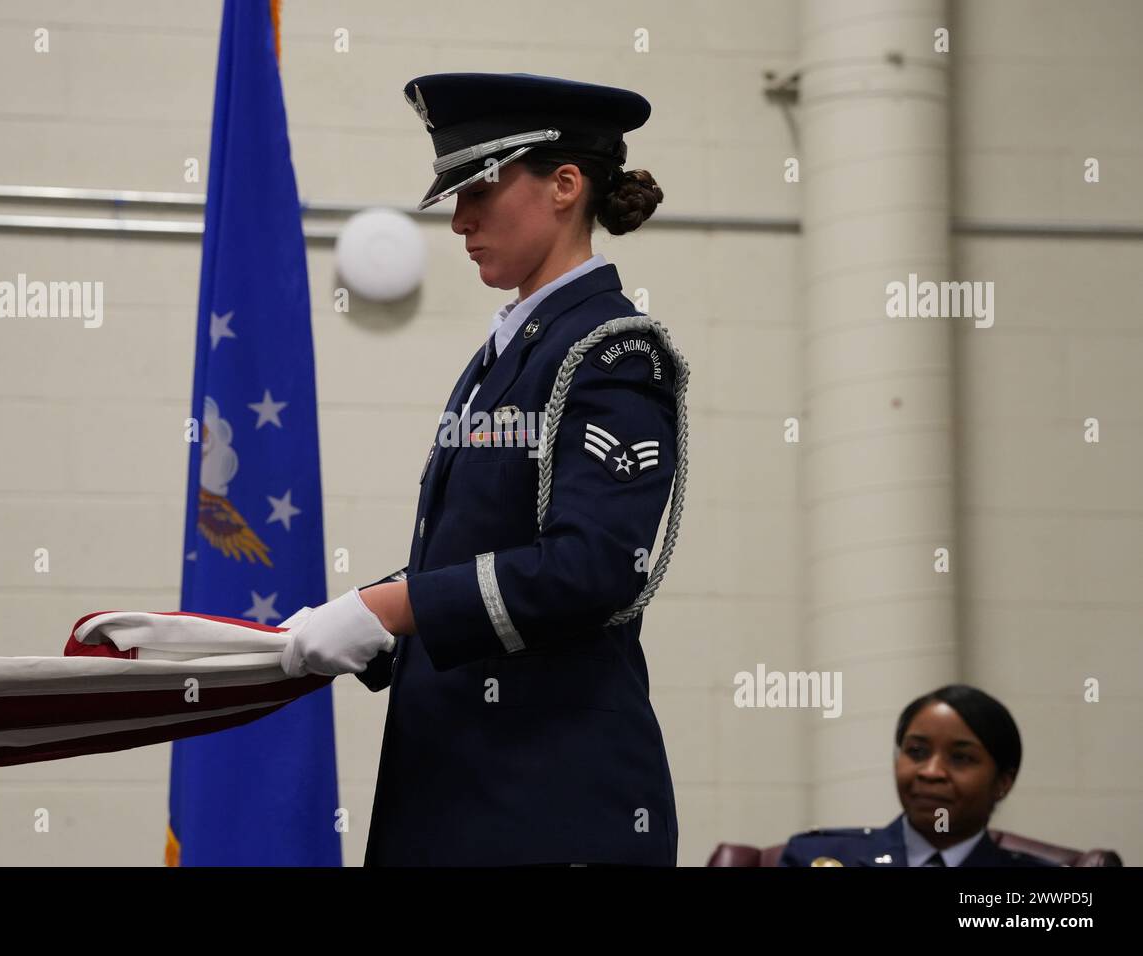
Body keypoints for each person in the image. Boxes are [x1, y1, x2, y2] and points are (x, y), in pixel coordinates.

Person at [280, 72, 686, 866]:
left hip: (548, 805)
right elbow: (481, 558)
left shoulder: (611, 351)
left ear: (565, 185)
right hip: (466, 796)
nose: (460, 219)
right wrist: (366, 622)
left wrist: (393, 608)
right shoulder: (510, 352)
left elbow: (592, 567)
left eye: (482, 189)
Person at [780, 684, 1057, 867]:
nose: (931, 772)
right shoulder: (820, 859)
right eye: (917, 751)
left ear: (1002, 783)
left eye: (961, 758)